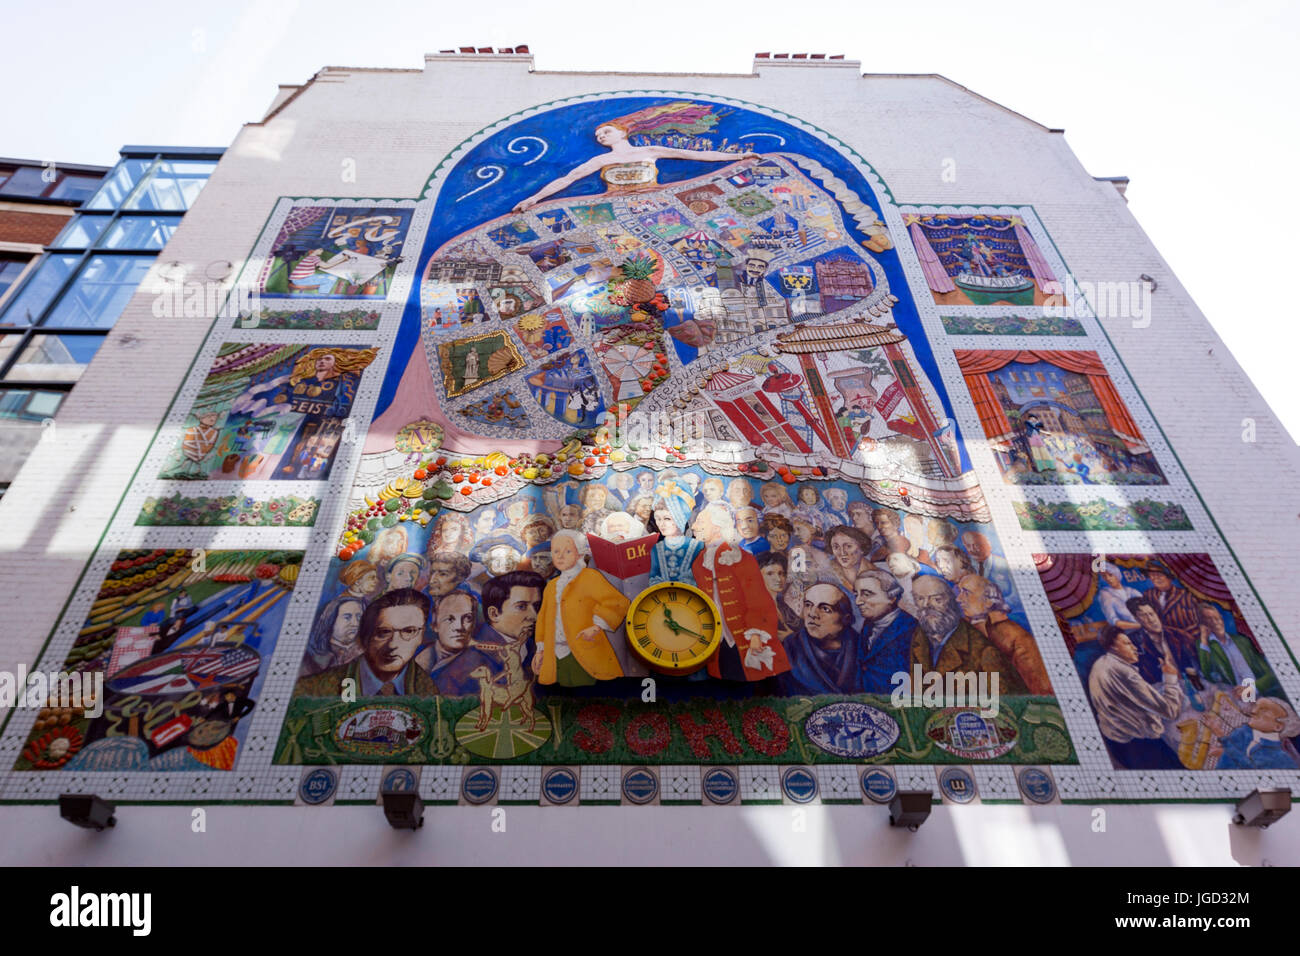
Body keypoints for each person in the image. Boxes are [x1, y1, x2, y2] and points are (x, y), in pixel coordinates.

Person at [512, 102, 759, 212]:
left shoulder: (649, 151)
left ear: (622, 131)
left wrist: (739, 156)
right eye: (598, 137)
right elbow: (567, 179)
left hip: (654, 203)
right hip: (614, 205)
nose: (601, 138)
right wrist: (533, 199)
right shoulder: (601, 161)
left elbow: (695, 154)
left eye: (606, 132)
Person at [691, 501, 790, 682]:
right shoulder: (699, 561)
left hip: (744, 636)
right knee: (723, 683)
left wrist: (756, 634)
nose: (694, 526)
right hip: (717, 639)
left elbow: (758, 599)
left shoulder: (739, 557)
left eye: (700, 521)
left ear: (717, 525)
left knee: (752, 681)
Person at [294, 589, 438, 697]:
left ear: (421, 635)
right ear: (365, 636)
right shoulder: (312, 689)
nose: (393, 644)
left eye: (408, 631)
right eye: (383, 632)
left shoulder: (430, 692)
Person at [532, 530, 630, 686]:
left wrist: (597, 626)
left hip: (585, 652)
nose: (560, 556)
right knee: (563, 697)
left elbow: (617, 602)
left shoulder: (590, 577)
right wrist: (540, 649)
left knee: (587, 695)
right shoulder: (551, 586)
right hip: (555, 655)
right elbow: (543, 619)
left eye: (568, 551)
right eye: (556, 551)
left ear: (579, 554)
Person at [1087, 625, 1186, 769]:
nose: (1134, 648)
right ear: (1113, 647)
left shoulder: (1101, 664)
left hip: (1116, 742)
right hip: (1139, 747)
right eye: (1127, 643)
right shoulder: (1125, 673)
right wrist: (1170, 678)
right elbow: (1171, 711)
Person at [433, 570, 546, 696]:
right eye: (521, 607)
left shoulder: (539, 649)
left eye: (536, 606)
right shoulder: (460, 671)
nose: (534, 616)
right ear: (494, 614)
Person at [907, 575, 1026, 694]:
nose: (927, 605)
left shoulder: (984, 651)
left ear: (951, 602)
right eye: (920, 599)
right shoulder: (919, 637)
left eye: (937, 599)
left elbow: (1008, 703)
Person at [955, 573, 1052, 694]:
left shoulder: (1014, 637)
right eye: (959, 592)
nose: (958, 599)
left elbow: (1041, 690)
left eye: (966, 593)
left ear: (988, 602)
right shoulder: (962, 629)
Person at [779, 583, 860, 695]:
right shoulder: (789, 647)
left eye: (825, 609)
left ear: (846, 619)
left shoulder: (862, 646)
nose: (812, 614)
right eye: (808, 605)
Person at [853, 570, 917, 695]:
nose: (858, 602)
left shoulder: (911, 629)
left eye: (866, 594)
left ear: (892, 597)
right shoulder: (868, 626)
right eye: (856, 595)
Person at [1195, 600, 1279, 695]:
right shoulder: (1204, 646)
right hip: (1237, 700)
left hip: (1260, 693)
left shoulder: (1242, 641)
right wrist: (1204, 640)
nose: (1215, 622)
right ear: (1203, 625)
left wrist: (1253, 688)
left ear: (1222, 619)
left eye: (1217, 618)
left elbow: (1271, 674)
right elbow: (1207, 674)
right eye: (1209, 620)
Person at [1210, 696, 1300, 770]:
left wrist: (1225, 751)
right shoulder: (1246, 731)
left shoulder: (1280, 758)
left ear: (1278, 727)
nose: (1253, 711)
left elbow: (1250, 770)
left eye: (1263, 710)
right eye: (1256, 706)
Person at [417, 589, 478, 685]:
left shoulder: (482, 659)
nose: (459, 627)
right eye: (450, 619)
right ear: (435, 625)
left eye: (468, 618)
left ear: (474, 623)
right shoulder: (416, 653)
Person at [649, 479, 703, 585]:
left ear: (680, 518)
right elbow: (653, 576)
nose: (661, 524)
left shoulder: (698, 546)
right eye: (658, 519)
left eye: (667, 519)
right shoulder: (656, 548)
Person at [303, 595, 367, 674]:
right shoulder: (314, 659)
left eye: (359, 617)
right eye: (347, 617)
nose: (355, 623)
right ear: (331, 620)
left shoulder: (366, 652)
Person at [756, 551, 802, 641]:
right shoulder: (757, 608)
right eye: (770, 574)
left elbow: (803, 629)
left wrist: (791, 637)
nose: (778, 579)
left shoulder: (783, 605)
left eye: (781, 573)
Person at [1097, 562, 1142, 632]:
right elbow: (1114, 622)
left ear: (1116, 574)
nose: (1108, 579)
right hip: (1131, 634)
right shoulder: (1105, 594)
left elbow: (1148, 607)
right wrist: (1140, 626)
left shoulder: (1131, 591)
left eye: (1110, 575)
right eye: (1104, 576)